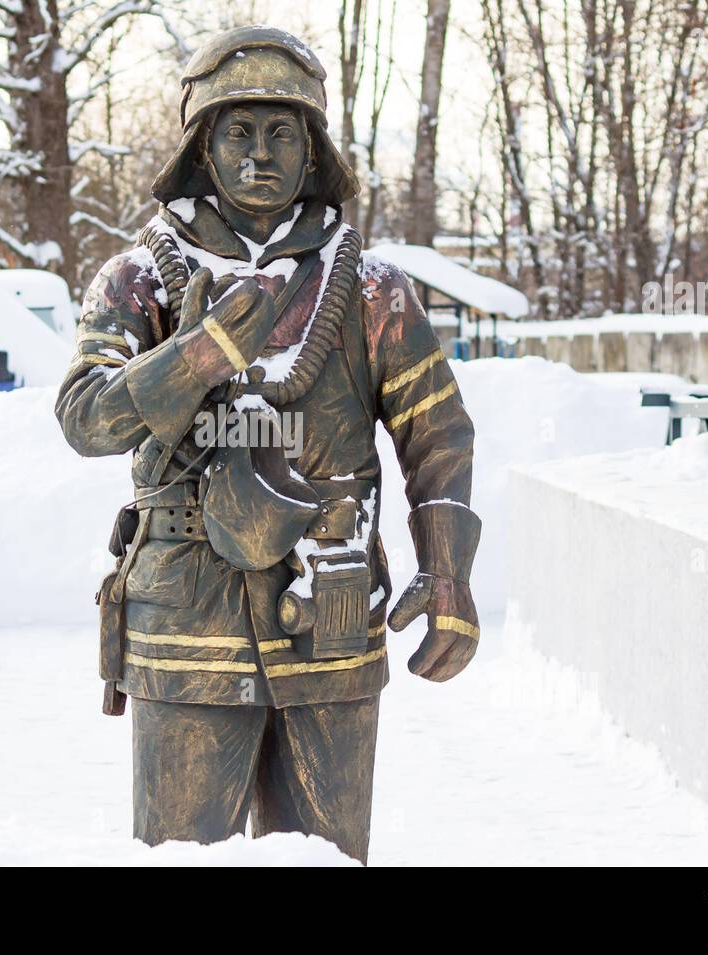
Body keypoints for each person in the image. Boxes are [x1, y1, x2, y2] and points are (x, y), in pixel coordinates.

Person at [56, 25, 481, 864]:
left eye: (281, 132)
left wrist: (449, 575)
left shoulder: (371, 288)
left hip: (331, 608)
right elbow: (85, 418)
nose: (260, 154)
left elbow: (438, 434)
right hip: (185, 617)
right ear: (200, 148)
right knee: (181, 854)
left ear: (313, 147)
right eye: (237, 132)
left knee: (326, 856)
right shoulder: (136, 278)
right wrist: (197, 355)